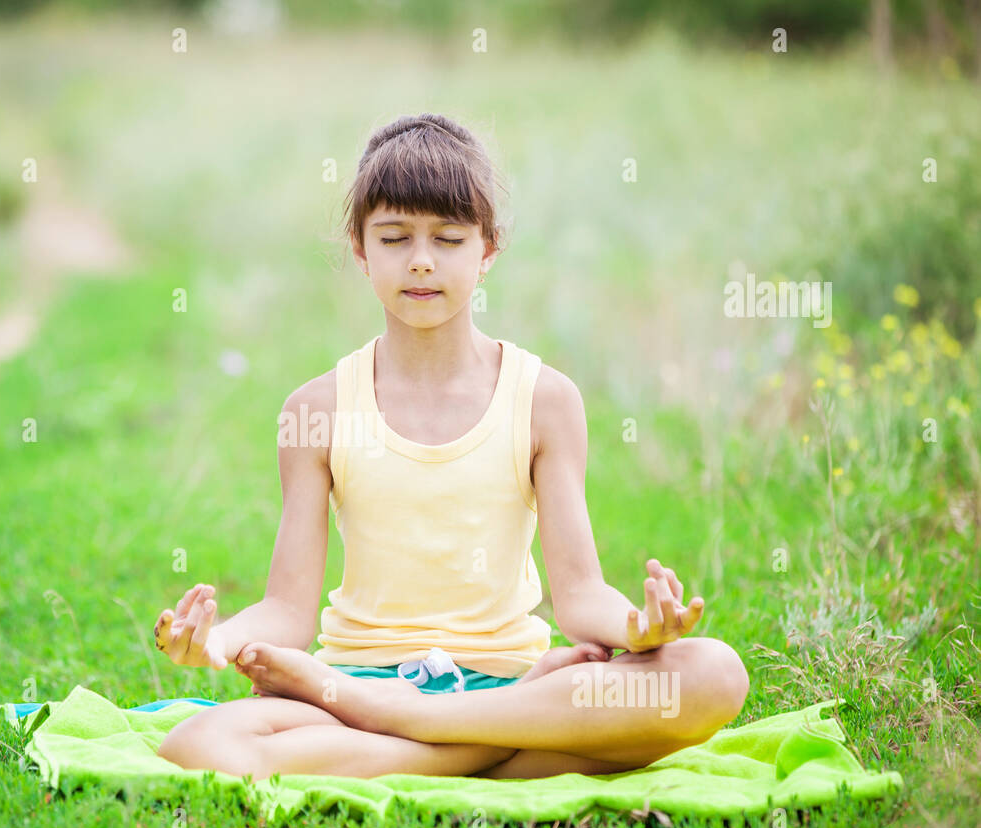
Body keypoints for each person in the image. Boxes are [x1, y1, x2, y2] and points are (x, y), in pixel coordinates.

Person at [153, 112, 748, 780]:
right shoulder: (316, 409)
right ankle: (483, 752)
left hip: (505, 688)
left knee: (712, 674)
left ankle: (419, 733)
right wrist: (218, 641)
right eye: (395, 236)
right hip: (352, 688)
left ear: (488, 248)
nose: (421, 259)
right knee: (196, 745)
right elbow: (288, 612)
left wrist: (637, 628)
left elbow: (580, 597)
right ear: (360, 248)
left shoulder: (544, 400)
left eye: (449, 238)